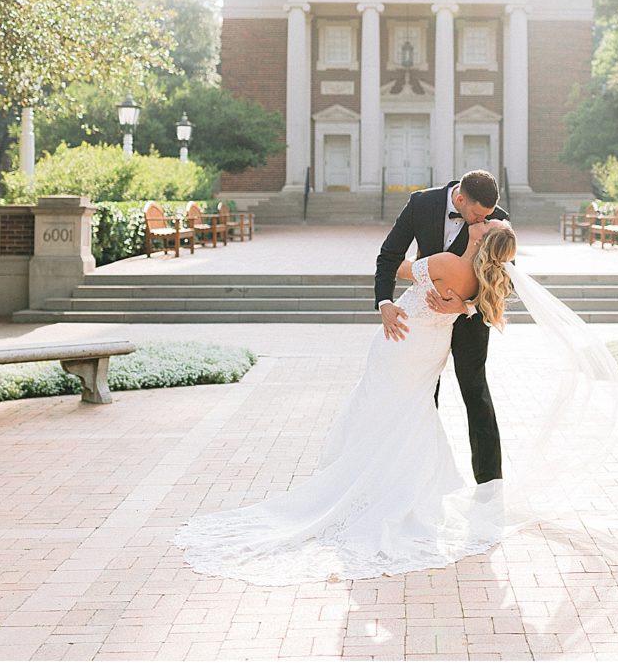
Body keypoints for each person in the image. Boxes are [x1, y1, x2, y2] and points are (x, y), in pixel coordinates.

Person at [175, 219, 519, 584]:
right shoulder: (481, 279)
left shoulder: (446, 262)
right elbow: (481, 307)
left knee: (378, 410)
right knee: (413, 415)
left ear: (481, 237)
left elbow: (400, 268)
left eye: (488, 223)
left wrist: (421, 264)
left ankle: (368, 482)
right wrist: (464, 307)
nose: (485, 219)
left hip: (403, 341)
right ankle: (402, 490)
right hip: (432, 352)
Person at [374, 170, 509, 484]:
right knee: (422, 394)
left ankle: (489, 481)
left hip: (470, 319)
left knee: (475, 392)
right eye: (478, 215)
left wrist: (466, 306)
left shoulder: (496, 220)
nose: (483, 221)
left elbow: (505, 281)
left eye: (487, 216)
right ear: (460, 199)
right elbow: (390, 254)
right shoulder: (421, 203)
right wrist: (384, 302)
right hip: (425, 324)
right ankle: (420, 474)